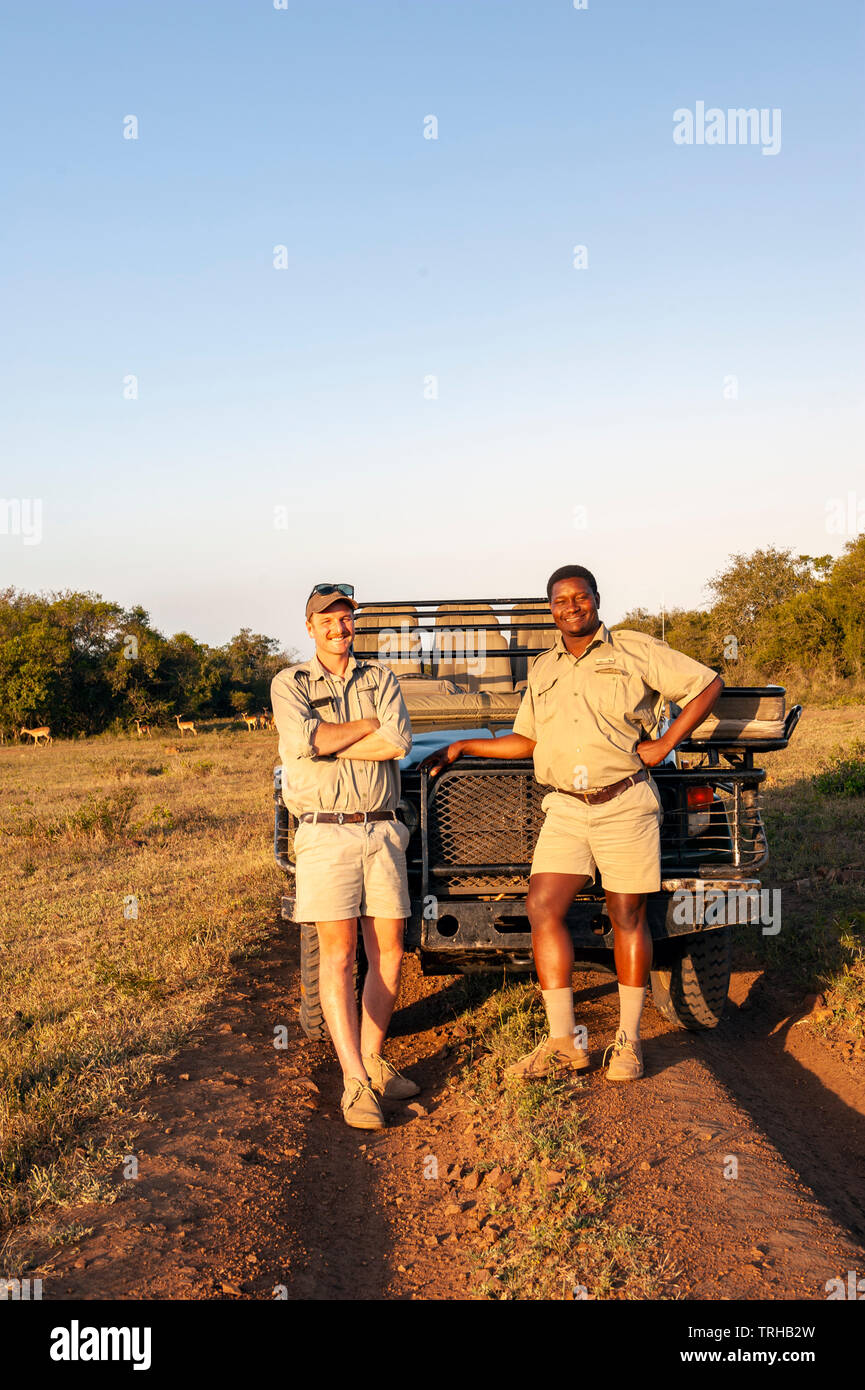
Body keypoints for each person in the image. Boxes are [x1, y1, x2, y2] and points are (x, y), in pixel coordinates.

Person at [418, 566, 723, 1082]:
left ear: (597, 600)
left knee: (627, 914)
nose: (572, 606)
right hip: (564, 807)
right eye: (561, 600)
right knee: (542, 906)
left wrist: (667, 743)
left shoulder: (633, 650)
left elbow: (707, 684)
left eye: (580, 597)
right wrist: (464, 745)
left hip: (623, 800)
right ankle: (564, 1043)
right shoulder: (543, 668)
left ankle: (628, 1041)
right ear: (551, 610)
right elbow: (528, 741)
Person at [271, 582, 419, 1130]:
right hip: (325, 831)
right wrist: (361, 729)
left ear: (354, 623)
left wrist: (328, 738)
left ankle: (376, 1059)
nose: (338, 626)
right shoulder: (289, 682)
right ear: (309, 627)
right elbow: (304, 738)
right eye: (326, 619)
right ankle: (354, 1080)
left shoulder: (380, 677)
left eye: (346, 617)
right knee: (338, 954)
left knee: (390, 950)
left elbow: (397, 743)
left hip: (381, 829)